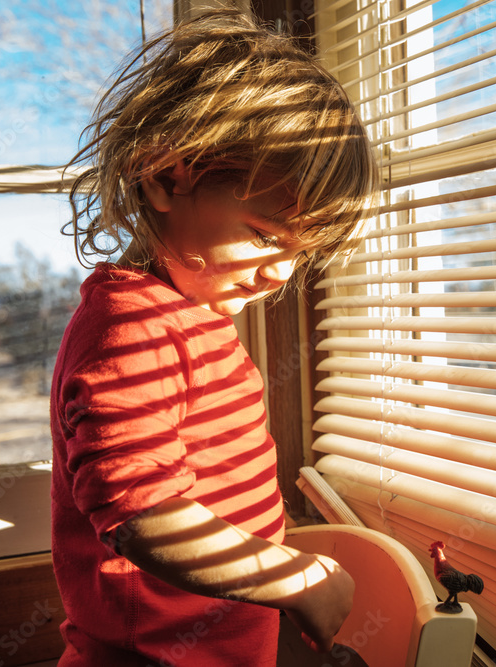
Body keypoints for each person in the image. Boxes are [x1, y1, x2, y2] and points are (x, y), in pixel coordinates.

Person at [50, 9, 378, 666]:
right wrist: (293, 579)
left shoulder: (185, 316)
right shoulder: (136, 328)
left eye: (298, 251)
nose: (280, 272)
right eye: (264, 235)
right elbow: (140, 513)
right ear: (165, 177)